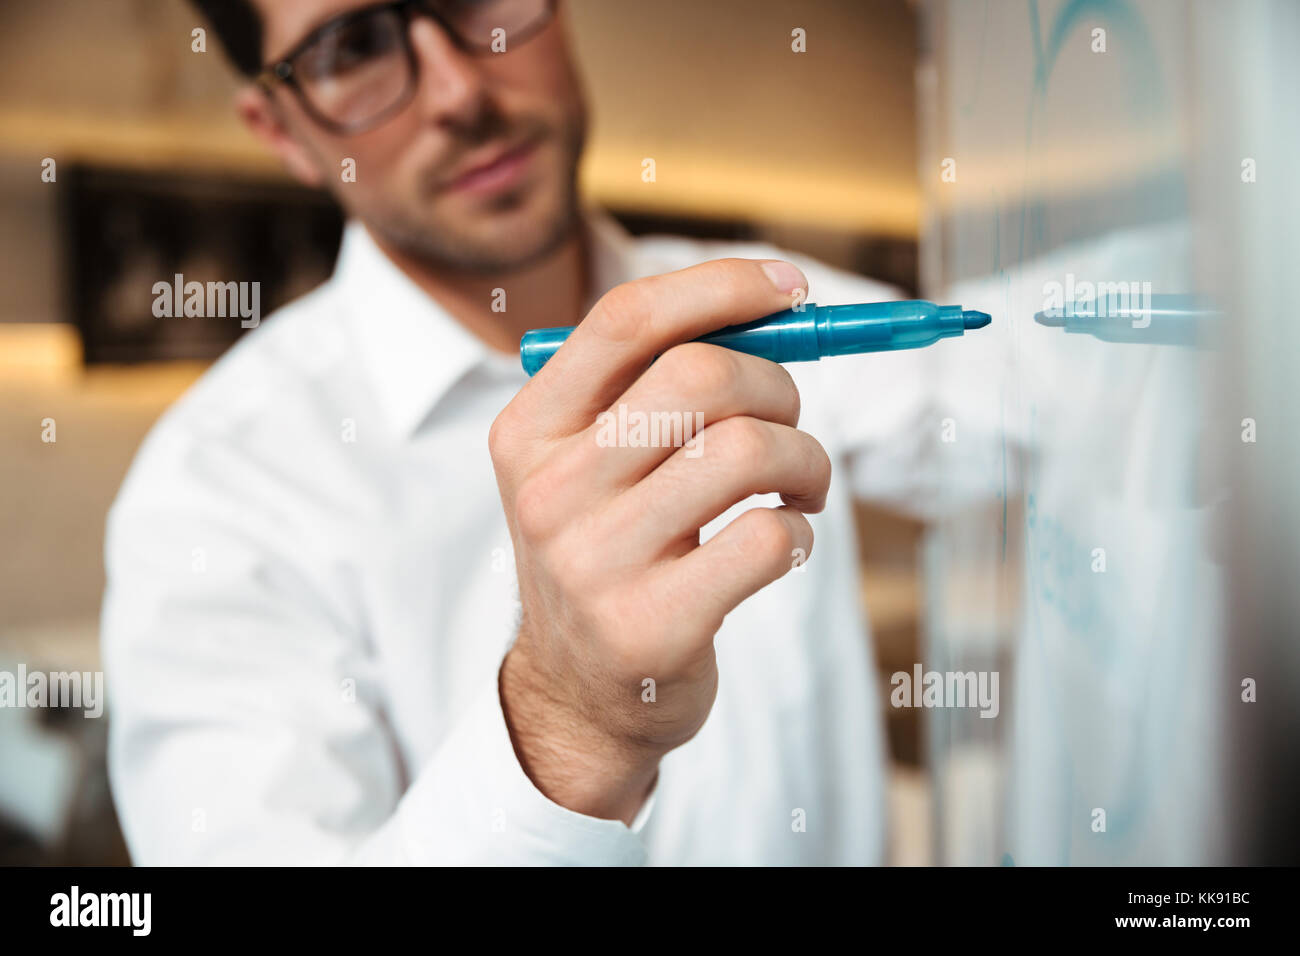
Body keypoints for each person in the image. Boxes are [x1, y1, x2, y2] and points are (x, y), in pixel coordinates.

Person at [103, 0, 946, 864]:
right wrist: (568, 722)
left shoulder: (757, 305)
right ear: (280, 132)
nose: (461, 90)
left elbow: (1045, 379)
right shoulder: (217, 490)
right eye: (351, 47)